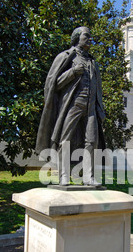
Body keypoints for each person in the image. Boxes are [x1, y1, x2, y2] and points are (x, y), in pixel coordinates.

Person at [36, 26, 106, 185]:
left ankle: (88, 177)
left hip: (91, 109)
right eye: (86, 36)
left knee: (92, 141)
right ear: (77, 38)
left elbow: (98, 88)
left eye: (90, 36)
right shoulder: (66, 57)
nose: (90, 39)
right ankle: (64, 175)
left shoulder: (93, 63)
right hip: (73, 104)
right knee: (65, 139)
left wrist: (99, 108)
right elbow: (54, 83)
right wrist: (73, 72)